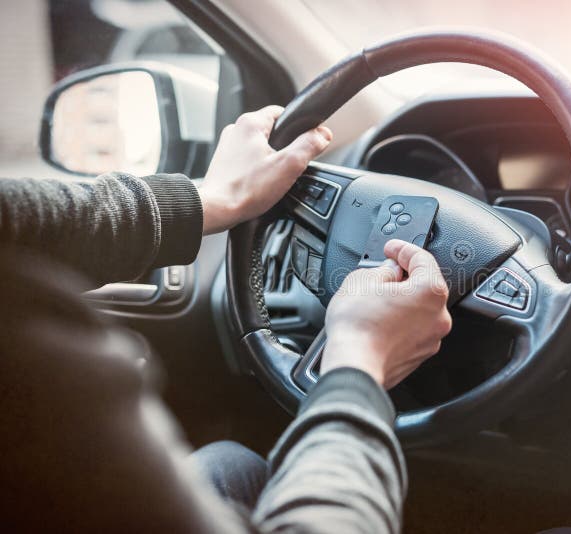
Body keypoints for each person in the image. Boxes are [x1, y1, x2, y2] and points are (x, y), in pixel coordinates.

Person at [0, 106, 452, 533]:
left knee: (234, 468)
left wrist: (211, 200)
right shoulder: (32, 366)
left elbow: (11, 223)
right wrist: (359, 359)